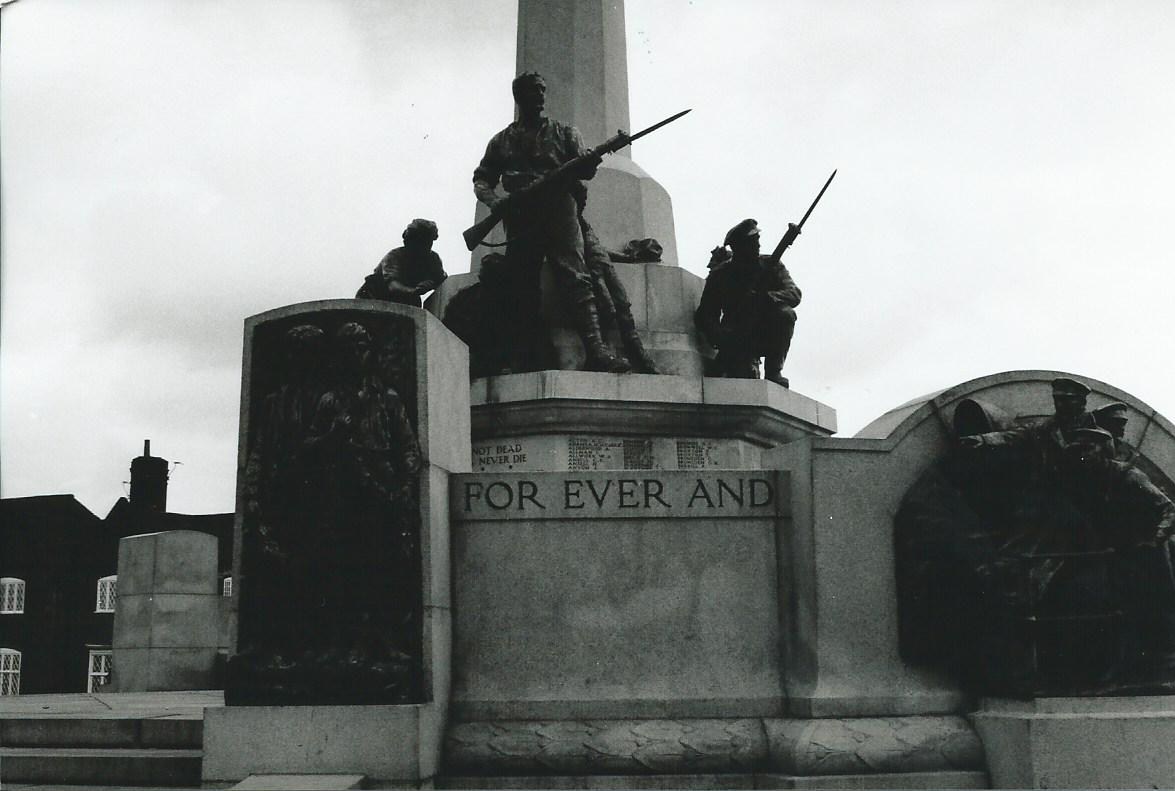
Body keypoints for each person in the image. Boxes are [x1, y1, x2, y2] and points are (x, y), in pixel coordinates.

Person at [472, 72, 627, 372]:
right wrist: (496, 202)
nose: (541, 96)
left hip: (559, 208)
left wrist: (592, 159)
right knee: (521, 284)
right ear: (519, 97)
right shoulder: (501, 140)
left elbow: (585, 171)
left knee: (575, 274)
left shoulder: (565, 133)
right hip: (521, 214)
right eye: (534, 91)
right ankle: (523, 354)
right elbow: (482, 178)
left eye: (543, 90)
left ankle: (596, 349)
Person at [694, 219, 801, 387]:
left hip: (764, 332)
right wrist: (719, 337)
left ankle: (774, 372)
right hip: (736, 336)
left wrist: (767, 298)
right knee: (737, 381)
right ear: (738, 247)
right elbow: (705, 314)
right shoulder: (720, 275)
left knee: (785, 314)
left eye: (757, 240)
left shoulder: (771, 266)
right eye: (752, 242)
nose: (757, 245)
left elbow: (794, 294)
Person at [357, 219, 447, 308]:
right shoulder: (394, 256)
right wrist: (415, 291)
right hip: (373, 298)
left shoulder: (433, 259)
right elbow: (393, 286)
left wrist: (431, 284)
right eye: (420, 242)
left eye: (427, 242)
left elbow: (442, 282)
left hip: (405, 298)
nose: (424, 246)